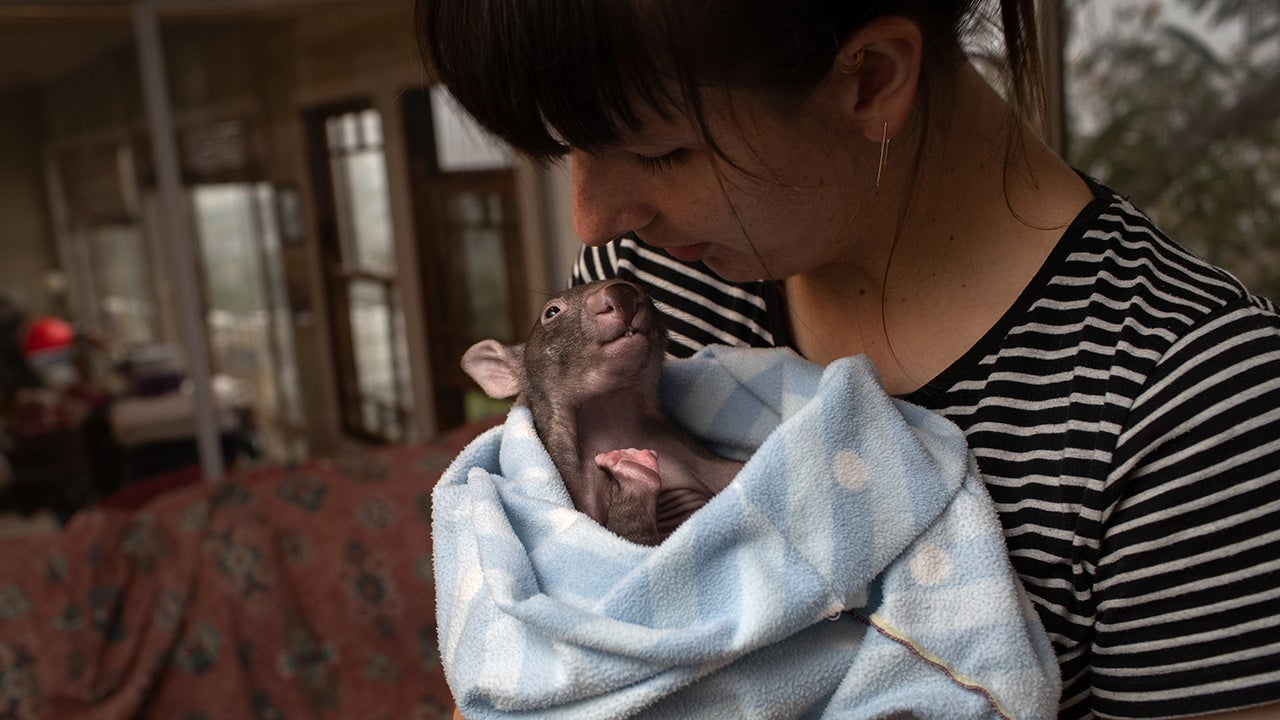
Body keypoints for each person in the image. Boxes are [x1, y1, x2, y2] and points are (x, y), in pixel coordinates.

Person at [415, 1, 1280, 718]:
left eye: (659, 152)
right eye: (572, 143)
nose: (592, 218)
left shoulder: (1196, 399)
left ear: (870, 77)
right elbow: (536, 658)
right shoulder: (649, 286)